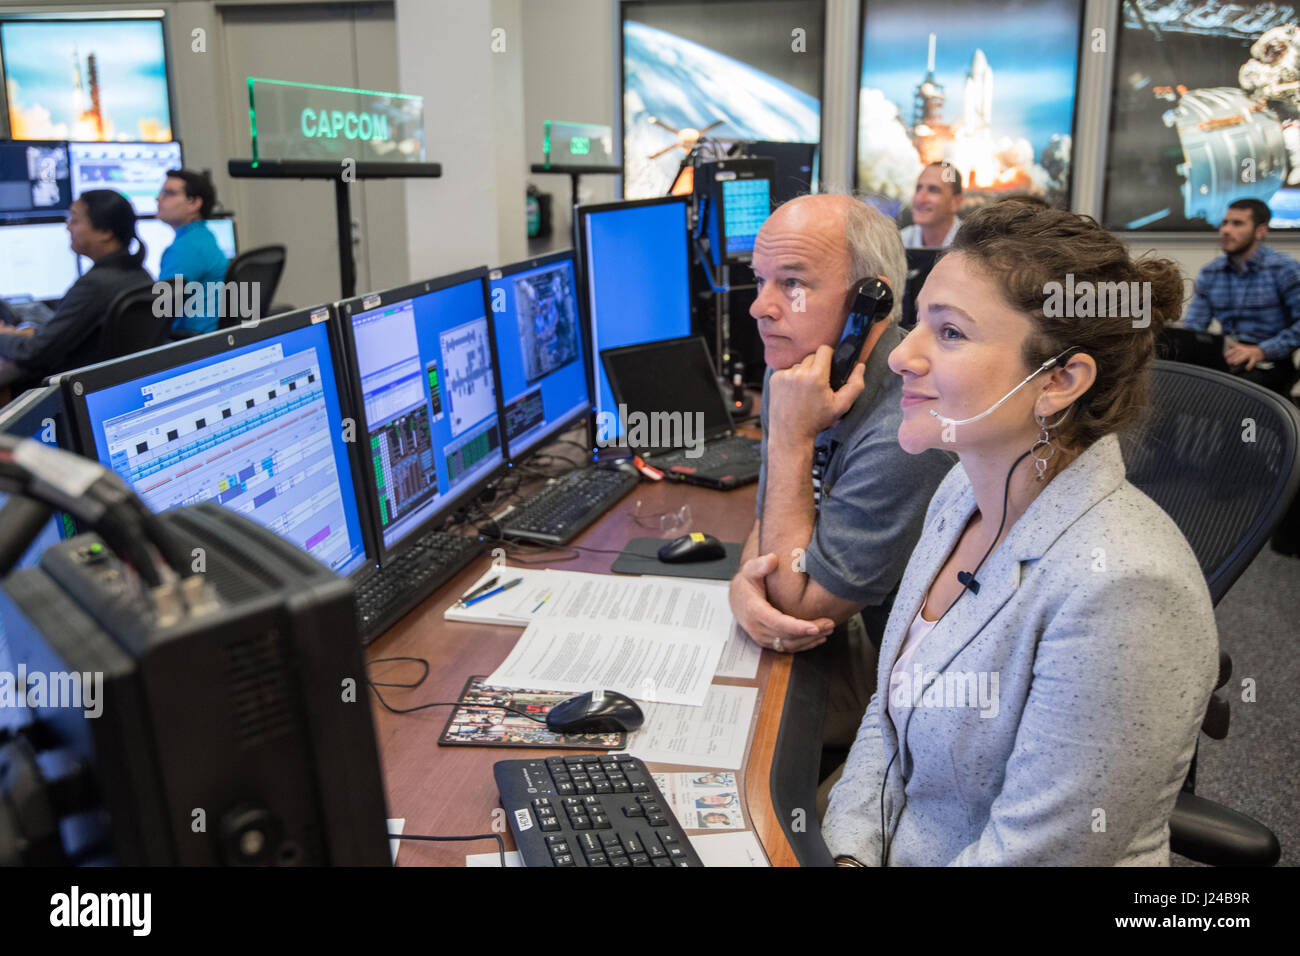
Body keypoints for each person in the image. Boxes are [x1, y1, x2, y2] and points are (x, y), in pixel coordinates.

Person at [821, 199, 1219, 866]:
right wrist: (848, 853)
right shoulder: (961, 490)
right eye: (919, 322)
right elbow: (887, 720)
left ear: (1060, 380)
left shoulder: (1125, 588)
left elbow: (1034, 856)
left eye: (950, 334)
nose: (902, 358)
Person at [729, 194, 953, 746]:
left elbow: (795, 605)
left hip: (902, 691)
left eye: (792, 284)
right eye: (760, 281)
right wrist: (742, 585)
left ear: (868, 301)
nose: (760, 307)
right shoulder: (809, 377)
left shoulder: (909, 429)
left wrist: (787, 438)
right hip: (843, 635)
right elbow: (771, 533)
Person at [0, 190, 152, 387]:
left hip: (69, 392)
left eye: (76, 220)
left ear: (105, 232)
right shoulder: (139, 274)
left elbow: (34, 353)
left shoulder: (96, 284)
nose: (68, 227)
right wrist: (34, 334)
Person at [1182, 198, 1300, 397]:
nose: (1226, 230)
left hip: (1270, 361)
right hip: (1229, 356)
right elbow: (1194, 326)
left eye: (1237, 224)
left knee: (1233, 393)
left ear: (1261, 231)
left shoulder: (1283, 269)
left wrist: (1262, 350)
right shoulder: (1211, 273)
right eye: (1225, 223)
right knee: (1174, 385)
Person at [156, 168, 229, 335]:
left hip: (191, 344)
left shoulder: (184, 249)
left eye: (168, 193)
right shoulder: (205, 236)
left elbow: (158, 316)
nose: (158, 198)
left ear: (195, 203)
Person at [899, 162, 962, 249]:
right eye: (918, 189)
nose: (920, 199)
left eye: (933, 190)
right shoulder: (900, 242)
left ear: (955, 202)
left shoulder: (974, 245)